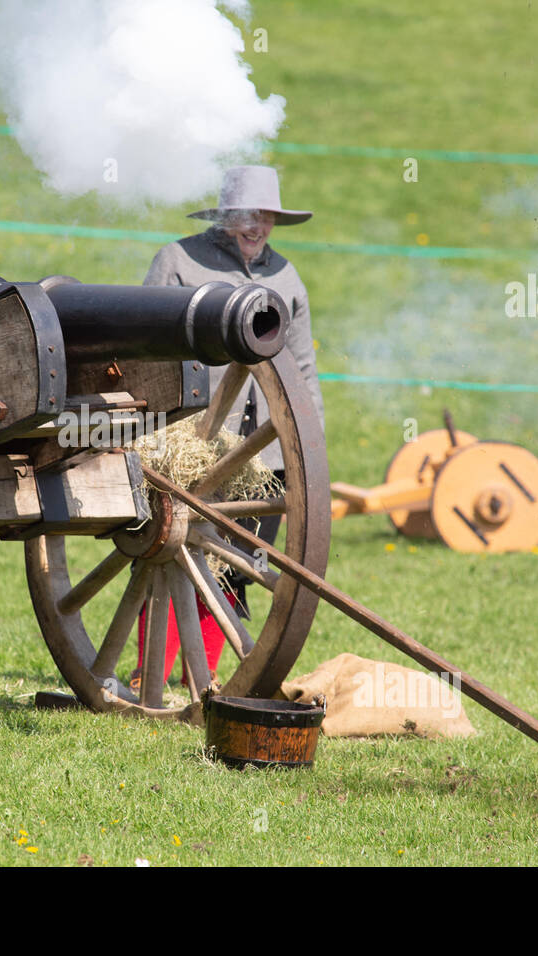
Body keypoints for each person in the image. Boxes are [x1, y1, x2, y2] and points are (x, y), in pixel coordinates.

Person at [134, 165, 325, 692]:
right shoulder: (178, 260)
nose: (257, 226)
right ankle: (153, 667)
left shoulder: (286, 279)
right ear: (223, 218)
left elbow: (303, 370)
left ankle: (209, 673)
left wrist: (312, 452)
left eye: (265, 216)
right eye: (247, 215)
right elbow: (145, 352)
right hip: (191, 443)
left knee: (239, 564)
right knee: (170, 552)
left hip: (266, 451)